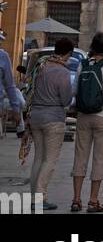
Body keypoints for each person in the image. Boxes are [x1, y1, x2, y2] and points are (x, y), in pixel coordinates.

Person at [71, 30, 103, 213]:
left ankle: (76, 200)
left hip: (83, 116)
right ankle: (93, 201)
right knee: (99, 159)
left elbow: (75, 90)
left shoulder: (82, 64)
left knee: (80, 157)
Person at [26, 36, 74, 210]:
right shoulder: (63, 72)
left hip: (36, 116)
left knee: (38, 158)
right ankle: (40, 198)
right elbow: (66, 99)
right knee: (50, 160)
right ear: (68, 53)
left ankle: (33, 196)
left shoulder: (41, 65)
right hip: (53, 118)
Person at [0, 29, 25, 135]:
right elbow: (10, 85)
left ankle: (21, 129)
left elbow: (10, 86)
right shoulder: (3, 57)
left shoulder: (3, 56)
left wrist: (15, 109)